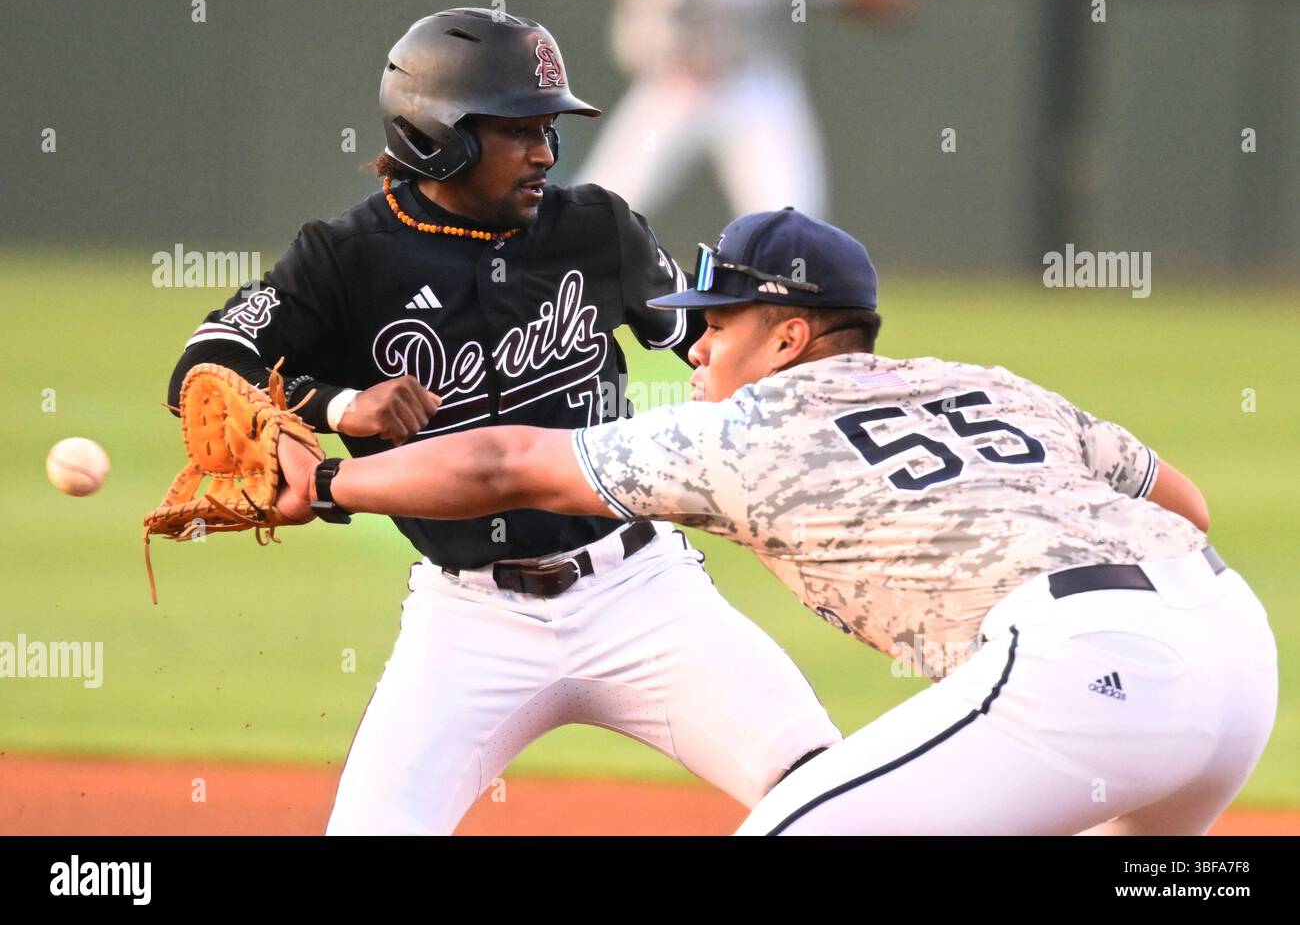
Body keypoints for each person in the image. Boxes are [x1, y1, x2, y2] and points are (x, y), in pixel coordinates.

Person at [274, 207, 1278, 835]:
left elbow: (502, 460)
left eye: (718, 322)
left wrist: (320, 487)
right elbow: (1182, 506)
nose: (695, 348)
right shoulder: (979, 380)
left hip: (1087, 669)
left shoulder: (746, 429)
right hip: (1235, 651)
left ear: (788, 334)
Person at [166, 9, 840, 836]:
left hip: (641, 591)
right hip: (467, 620)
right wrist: (341, 404)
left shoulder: (596, 225)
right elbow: (202, 366)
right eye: (519, 131)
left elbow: (716, 343)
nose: (545, 154)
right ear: (436, 135)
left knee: (831, 790)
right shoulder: (346, 257)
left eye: (549, 128)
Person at [576, 0, 916, 218]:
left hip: (755, 87)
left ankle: (785, 302)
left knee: (790, 217)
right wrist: (670, 60)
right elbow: (631, 42)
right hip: (674, 86)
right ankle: (545, 283)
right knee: (602, 200)